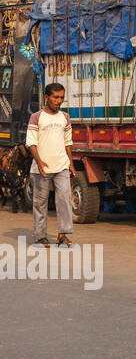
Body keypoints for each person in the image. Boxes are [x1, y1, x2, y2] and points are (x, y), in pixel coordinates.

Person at [27, 83, 74, 247]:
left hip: (61, 166)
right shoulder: (36, 117)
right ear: (46, 97)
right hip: (41, 169)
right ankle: (40, 236)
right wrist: (39, 162)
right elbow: (31, 143)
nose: (59, 101)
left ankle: (63, 234)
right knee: (40, 203)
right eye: (55, 97)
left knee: (65, 200)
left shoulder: (65, 117)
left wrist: (71, 163)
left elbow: (68, 142)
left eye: (61, 97)